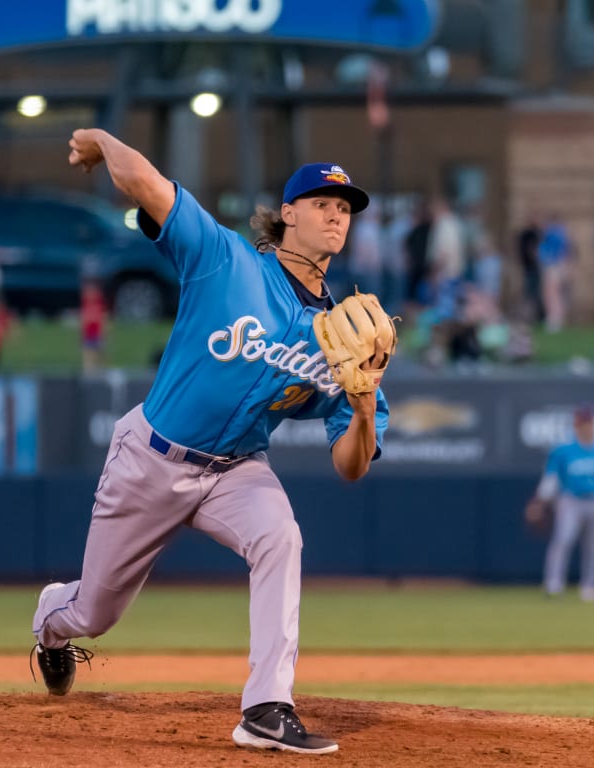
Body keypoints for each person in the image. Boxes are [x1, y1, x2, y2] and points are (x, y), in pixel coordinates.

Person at [31, 129, 392, 756]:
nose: (337, 215)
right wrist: (104, 141)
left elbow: (352, 466)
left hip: (236, 470)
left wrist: (361, 407)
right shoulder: (226, 260)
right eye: (323, 203)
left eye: (345, 209)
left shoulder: (345, 335)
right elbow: (149, 185)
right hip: (152, 456)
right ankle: (50, 624)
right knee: (95, 614)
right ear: (289, 214)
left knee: (281, 536)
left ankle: (266, 709)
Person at [526, 406, 594, 602]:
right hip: (570, 500)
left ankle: (590, 586)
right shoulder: (563, 450)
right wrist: (538, 502)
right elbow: (550, 479)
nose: (585, 427)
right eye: (581, 423)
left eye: (588, 422)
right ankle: (553, 583)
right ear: (576, 425)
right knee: (563, 539)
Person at [537, 213, 572, 332]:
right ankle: (555, 318)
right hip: (554, 266)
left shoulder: (554, 235)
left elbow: (553, 253)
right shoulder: (560, 235)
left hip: (553, 267)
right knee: (553, 294)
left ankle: (555, 319)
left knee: (552, 294)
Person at [80, 277, 108, 375]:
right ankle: (88, 372)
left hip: (97, 335)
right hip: (88, 335)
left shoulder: (100, 305)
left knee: (98, 356)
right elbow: (83, 321)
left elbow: (103, 321)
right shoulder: (86, 304)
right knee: (88, 356)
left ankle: (97, 372)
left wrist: (104, 334)